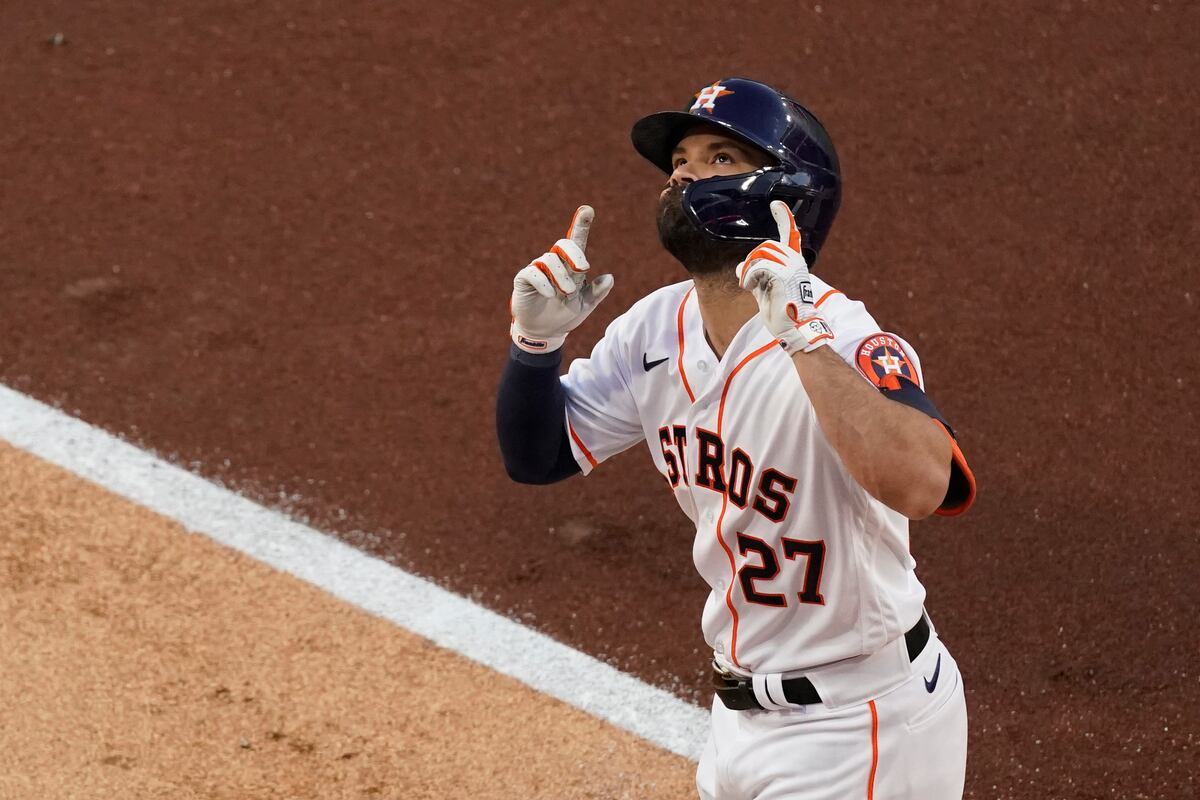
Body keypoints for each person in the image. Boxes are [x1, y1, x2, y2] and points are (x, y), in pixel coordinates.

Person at [495, 77, 976, 800]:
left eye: (718, 157)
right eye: (680, 160)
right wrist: (535, 345)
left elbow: (923, 485)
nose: (684, 172)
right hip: (738, 719)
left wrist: (803, 341)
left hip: (861, 726)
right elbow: (537, 457)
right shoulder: (654, 329)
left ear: (787, 193)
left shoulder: (840, 334)